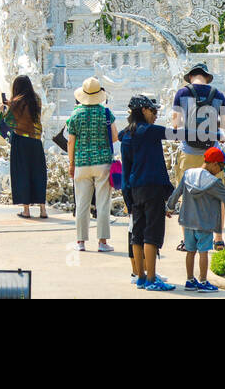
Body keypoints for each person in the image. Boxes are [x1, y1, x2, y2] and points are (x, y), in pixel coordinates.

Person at [165, 147, 225, 292]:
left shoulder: (188, 174)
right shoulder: (214, 183)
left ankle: (190, 281)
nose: (221, 171)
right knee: (203, 252)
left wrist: (169, 207)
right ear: (214, 164)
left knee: (190, 251)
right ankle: (203, 281)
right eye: (221, 167)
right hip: (204, 224)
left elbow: (176, 193)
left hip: (187, 222)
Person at [119, 94, 179, 291]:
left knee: (137, 234)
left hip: (135, 189)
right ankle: (152, 279)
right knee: (152, 234)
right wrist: (208, 134)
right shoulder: (150, 131)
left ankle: (141, 278)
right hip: (152, 188)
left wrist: (127, 196)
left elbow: (125, 169)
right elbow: (177, 134)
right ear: (143, 110)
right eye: (153, 111)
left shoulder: (126, 135)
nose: (155, 115)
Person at [170, 62, 225, 251]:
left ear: (190, 77)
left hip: (189, 152)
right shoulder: (218, 95)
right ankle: (218, 239)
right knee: (217, 195)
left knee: (185, 194)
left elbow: (175, 123)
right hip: (212, 155)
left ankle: (187, 240)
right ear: (206, 77)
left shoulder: (182, 93)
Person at [65, 76, 117, 252]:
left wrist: (71, 163)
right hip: (103, 162)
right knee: (103, 203)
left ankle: (80, 242)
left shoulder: (75, 114)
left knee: (82, 203)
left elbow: (70, 142)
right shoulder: (105, 113)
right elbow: (115, 136)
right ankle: (102, 242)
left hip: (81, 162)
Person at [0, 73, 48, 218]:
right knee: (38, 173)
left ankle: (26, 210)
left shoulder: (16, 102)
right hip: (36, 140)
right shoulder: (36, 99)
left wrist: (3, 110)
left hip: (21, 141)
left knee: (23, 174)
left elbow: (9, 121)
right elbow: (29, 114)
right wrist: (11, 104)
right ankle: (43, 210)